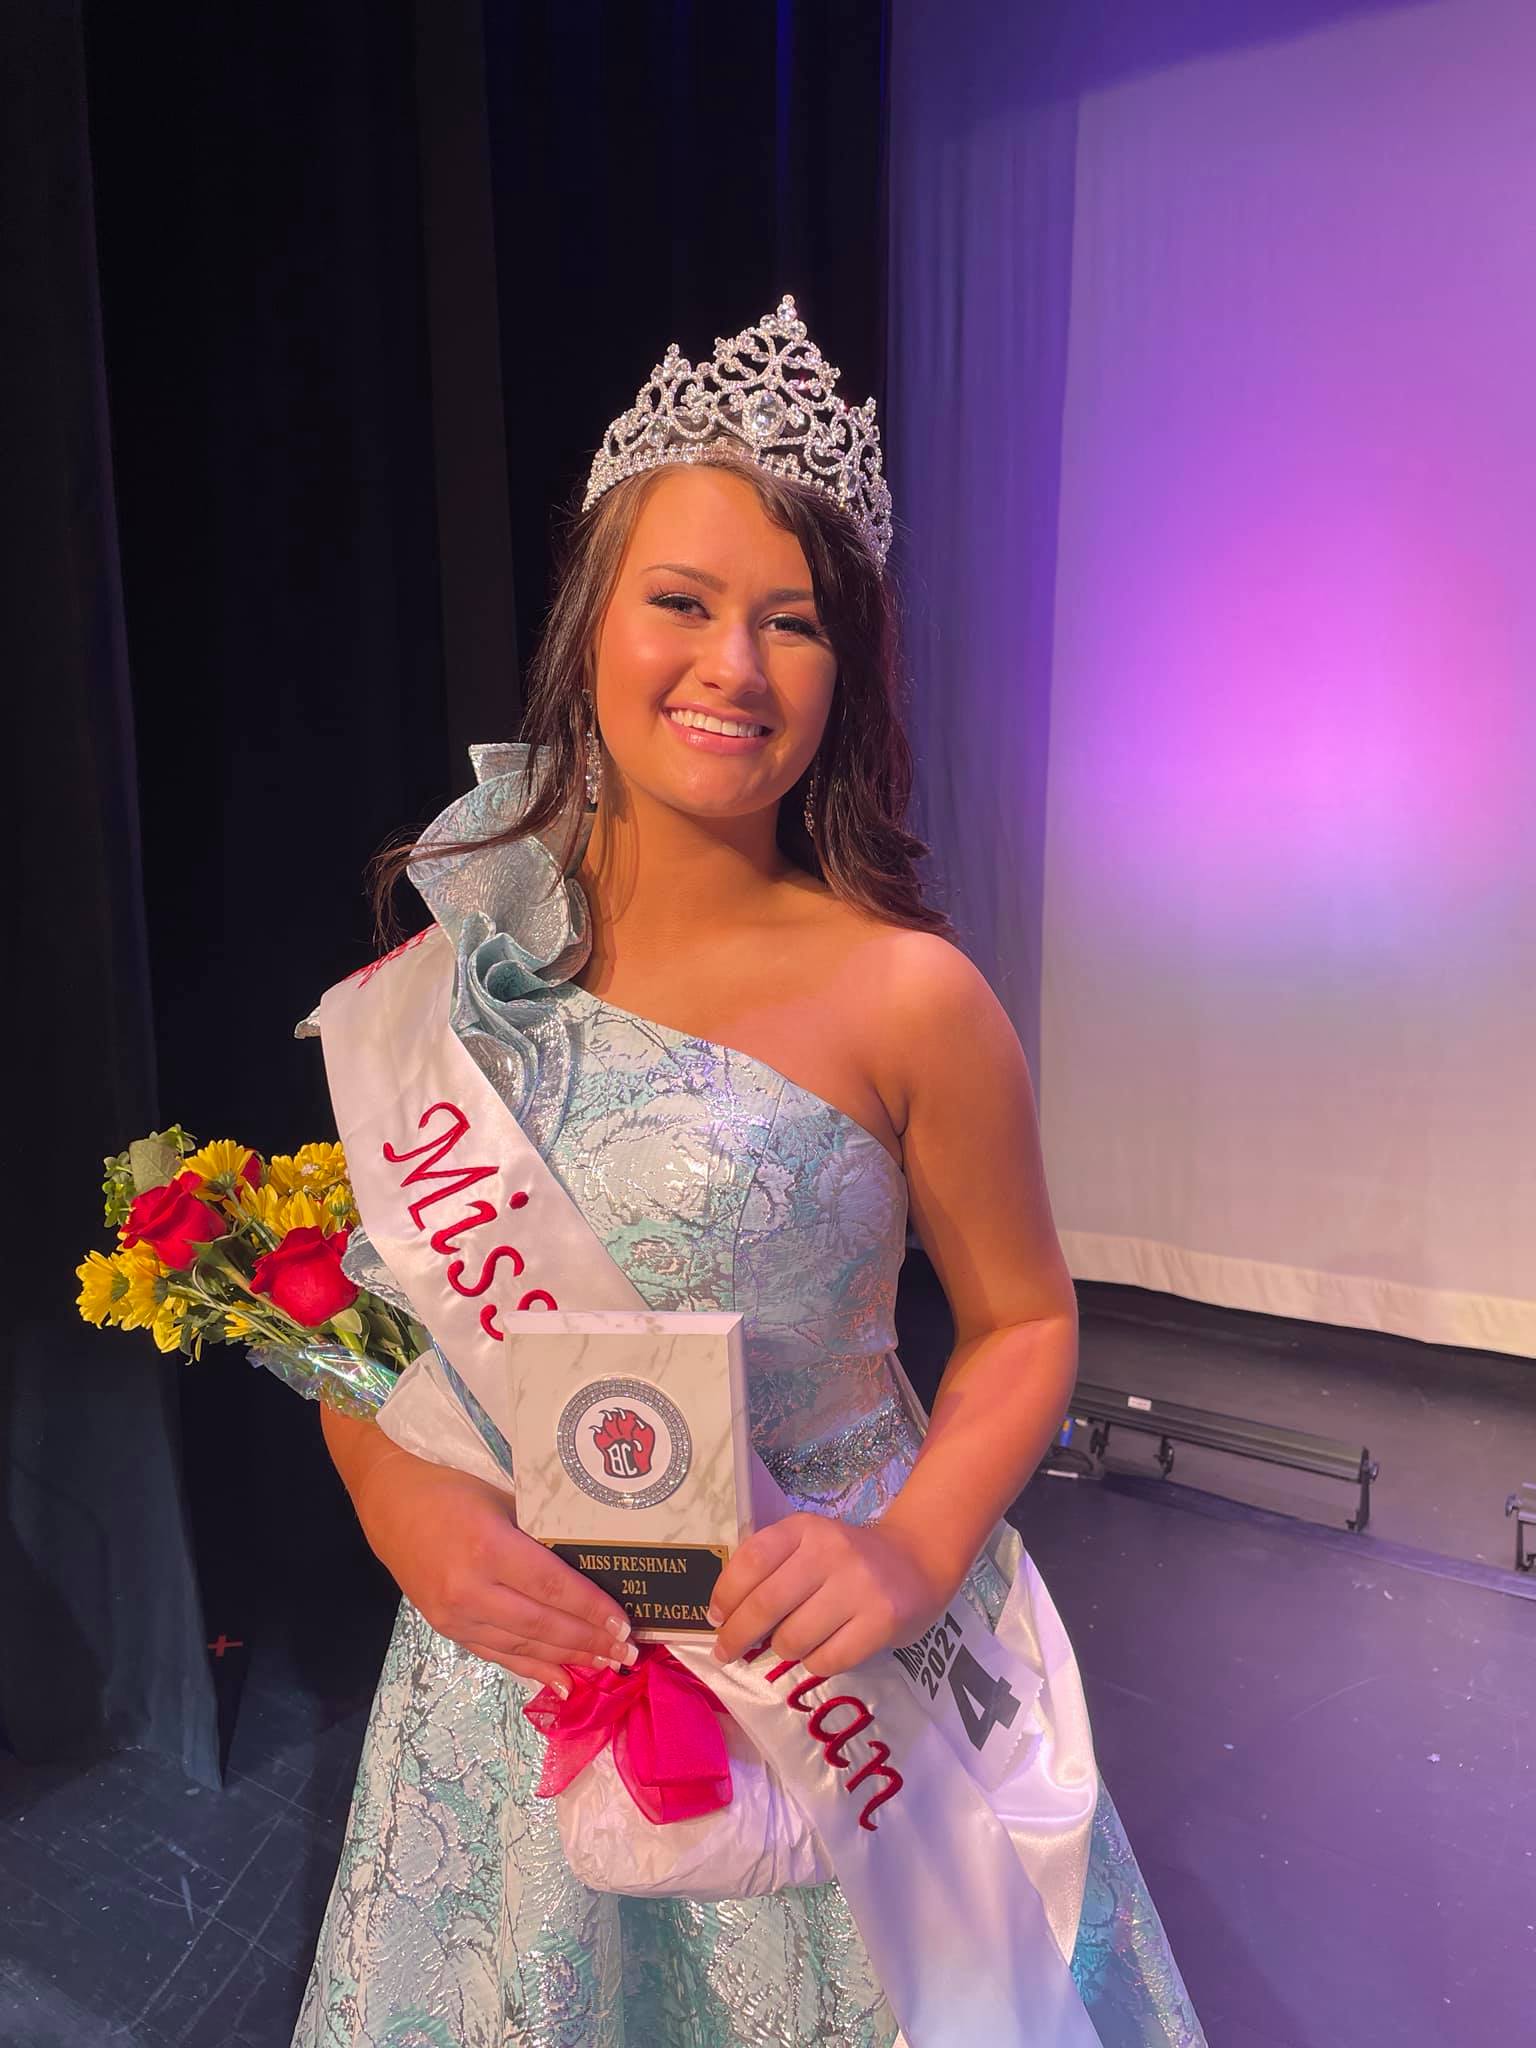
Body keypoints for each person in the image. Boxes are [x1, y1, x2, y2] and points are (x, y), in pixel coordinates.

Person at [292, 299, 1205, 2047]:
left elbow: (1020, 1322)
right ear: (590, 625)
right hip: (519, 1680)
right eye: (683, 604)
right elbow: (371, 1314)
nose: (735, 667)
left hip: (823, 1671)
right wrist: (390, 1498)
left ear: (844, 671)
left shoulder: (909, 993)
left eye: (792, 624)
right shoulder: (458, 972)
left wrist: (914, 1554)